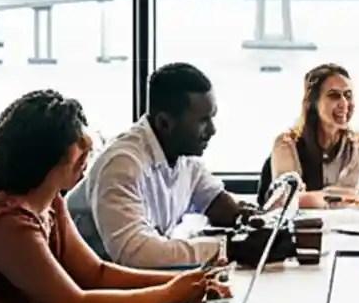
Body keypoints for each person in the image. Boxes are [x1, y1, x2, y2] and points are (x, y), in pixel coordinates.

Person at [0, 89, 228, 303]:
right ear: (46, 153)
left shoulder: (50, 203)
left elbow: (95, 273)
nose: (87, 152)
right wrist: (169, 294)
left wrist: (187, 282)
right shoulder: (8, 222)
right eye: (77, 144)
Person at [67, 62, 254, 268]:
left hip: (128, 284)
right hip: (88, 287)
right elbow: (137, 254)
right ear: (164, 123)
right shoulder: (122, 165)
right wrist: (229, 247)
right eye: (202, 121)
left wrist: (255, 222)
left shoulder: (185, 157)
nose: (212, 130)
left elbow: (219, 205)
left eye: (212, 117)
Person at [269, 63, 359, 209]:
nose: (344, 103)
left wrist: (315, 198)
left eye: (348, 95)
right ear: (313, 103)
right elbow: (287, 201)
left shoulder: (356, 149)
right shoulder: (286, 145)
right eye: (334, 96)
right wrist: (340, 198)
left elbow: (349, 202)